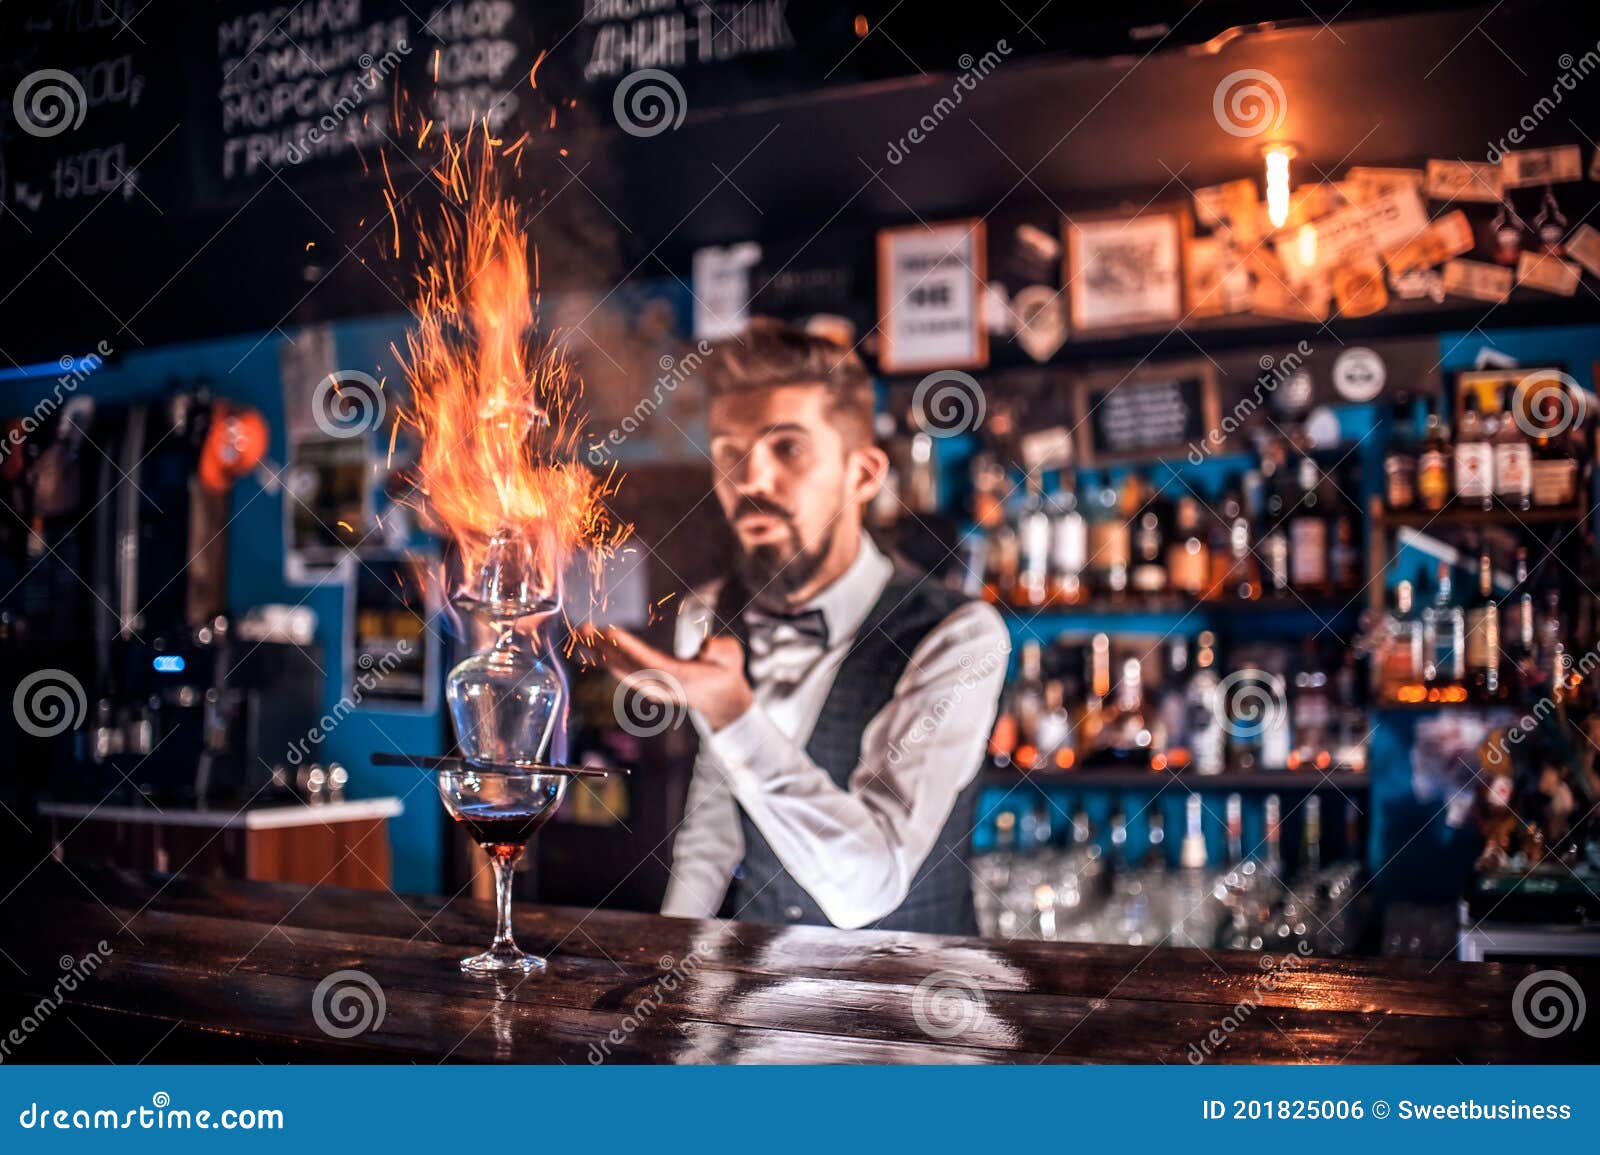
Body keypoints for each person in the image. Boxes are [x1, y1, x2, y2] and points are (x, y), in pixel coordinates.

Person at [596, 319, 1008, 935]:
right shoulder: (707, 613)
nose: (750, 480)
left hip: (914, 1009)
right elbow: (714, 818)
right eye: (731, 454)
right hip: (761, 997)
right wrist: (673, 953)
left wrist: (732, 712)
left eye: (786, 448)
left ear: (863, 474)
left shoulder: (960, 637)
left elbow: (867, 891)